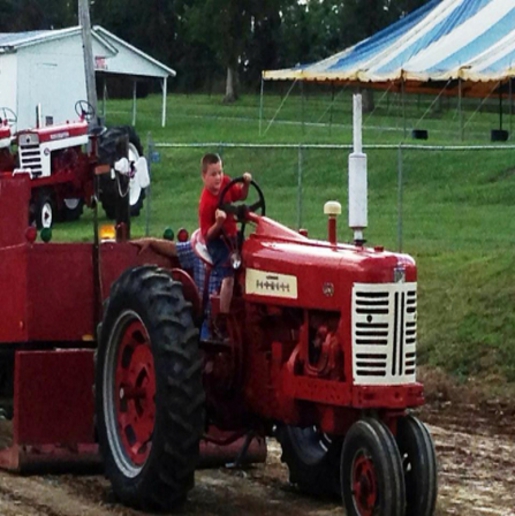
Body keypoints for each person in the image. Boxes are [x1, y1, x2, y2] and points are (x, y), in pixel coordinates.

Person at [198, 153, 251, 315]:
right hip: (217, 241)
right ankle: (223, 317)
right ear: (204, 176)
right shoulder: (205, 203)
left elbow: (241, 195)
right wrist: (218, 224)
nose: (218, 177)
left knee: (250, 259)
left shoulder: (226, 184)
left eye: (220, 172)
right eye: (213, 174)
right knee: (228, 275)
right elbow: (207, 235)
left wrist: (246, 183)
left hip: (232, 236)